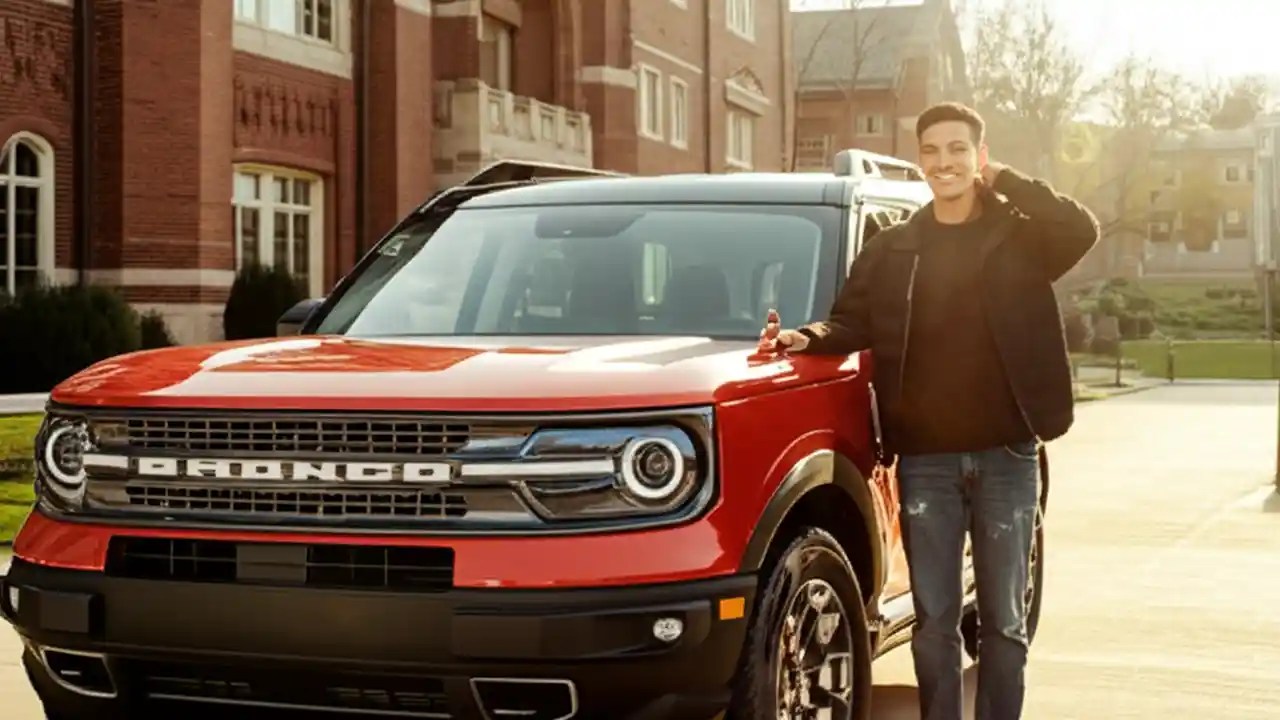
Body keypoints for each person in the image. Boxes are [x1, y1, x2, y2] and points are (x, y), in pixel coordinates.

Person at [760, 102, 1099, 720]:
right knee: (935, 622)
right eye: (933, 152)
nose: (945, 162)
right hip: (926, 464)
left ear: (979, 157)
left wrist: (1010, 183)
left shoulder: (1022, 237)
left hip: (1007, 456)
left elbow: (1081, 228)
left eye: (958, 150)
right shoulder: (896, 250)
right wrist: (804, 338)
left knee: (1003, 621)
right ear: (921, 161)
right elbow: (851, 319)